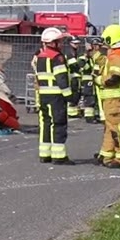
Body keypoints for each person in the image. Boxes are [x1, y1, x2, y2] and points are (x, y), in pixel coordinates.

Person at [32, 27, 75, 164]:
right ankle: (59, 156)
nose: (61, 44)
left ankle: (45, 154)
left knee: (45, 124)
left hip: (43, 95)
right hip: (56, 96)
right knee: (58, 124)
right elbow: (62, 79)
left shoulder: (40, 57)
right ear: (53, 42)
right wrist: (70, 96)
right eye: (59, 41)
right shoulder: (57, 57)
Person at [96, 24, 120, 168]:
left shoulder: (117, 55)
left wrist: (99, 80)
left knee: (117, 128)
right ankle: (107, 154)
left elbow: (114, 78)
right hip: (115, 98)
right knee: (111, 127)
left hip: (114, 99)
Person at [64, 38, 88, 119]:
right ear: (70, 43)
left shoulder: (74, 52)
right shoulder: (69, 53)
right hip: (72, 77)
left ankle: (73, 111)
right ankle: (72, 112)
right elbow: (74, 66)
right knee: (74, 94)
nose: (77, 45)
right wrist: (83, 59)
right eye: (75, 43)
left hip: (76, 76)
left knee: (77, 94)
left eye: (77, 43)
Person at [84, 40, 105, 124]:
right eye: (95, 45)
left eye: (98, 45)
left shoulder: (98, 55)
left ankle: (97, 115)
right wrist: (87, 69)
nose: (97, 47)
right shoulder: (91, 54)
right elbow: (82, 64)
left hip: (95, 77)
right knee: (90, 97)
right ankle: (89, 117)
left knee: (95, 98)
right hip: (90, 78)